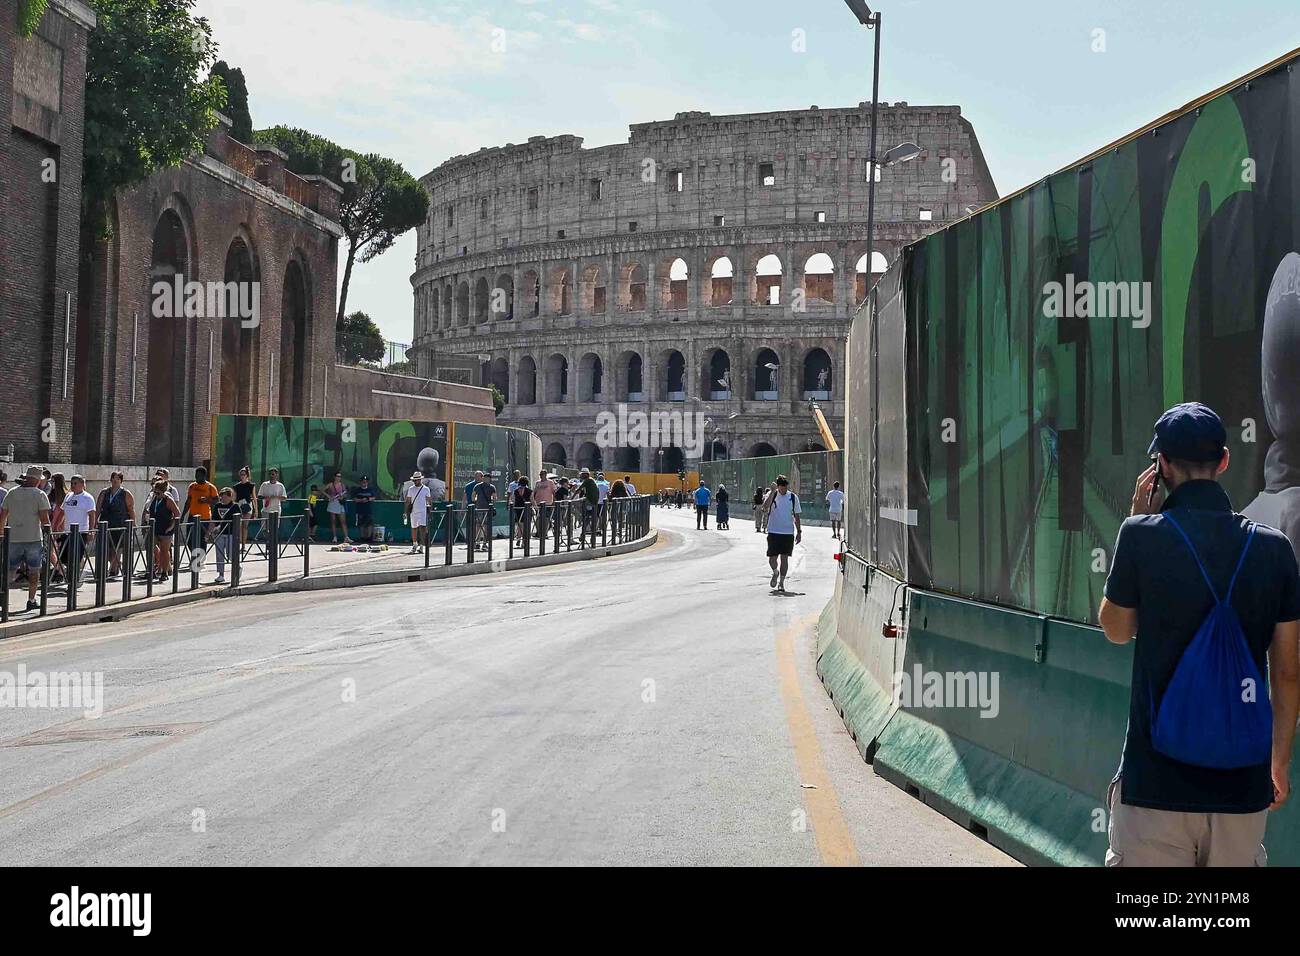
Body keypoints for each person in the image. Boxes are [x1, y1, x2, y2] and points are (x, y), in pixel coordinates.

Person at [1099, 402, 1300, 867]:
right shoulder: (1274, 549)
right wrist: (1279, 762)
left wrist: (1135, 522)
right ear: (1224, 461)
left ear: (1161, 465)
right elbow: (1287, 671)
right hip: (1242, 784)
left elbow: (1116, 629)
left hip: (1155, 785)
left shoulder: (1141, 536)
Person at [0, 466, 51, 612]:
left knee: (9, 570)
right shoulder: (40, 495)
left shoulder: (11, 493)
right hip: (33, 538)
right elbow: (45, 520)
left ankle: (2, 597)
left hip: (13, 537)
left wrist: (2, 534)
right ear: (36, 480)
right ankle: (31, 599)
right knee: (34, 571)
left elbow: (3, 515)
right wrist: (49, 537)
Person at [764, 475, 802, 592]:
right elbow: (765, 507)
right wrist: (772, 492)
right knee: (772, 559)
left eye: (785, 487)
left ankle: (781, 582)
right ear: (778, 487)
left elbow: (796, 515)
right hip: (773, 531)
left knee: (784, 558)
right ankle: (775, 572)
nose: (783, 490)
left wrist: (799, 531)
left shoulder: (793, 497)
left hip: (787, 533)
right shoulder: (772, 494)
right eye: (781, 488)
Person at [96, 471, 134, 580]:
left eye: (117, 478)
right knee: (106, 549)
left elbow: (131, 509)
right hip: (105, 523)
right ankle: (116, 564)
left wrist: (133, 524)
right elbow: (98, 508)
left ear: (121, 481)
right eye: (113, 478)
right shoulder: (104, 492)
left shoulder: (125, 493)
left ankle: (113, 570)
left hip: (120, 523)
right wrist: (94, 522)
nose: (115, 480)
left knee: (116, 548)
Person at [61, 475, 97, 587]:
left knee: (76, 557)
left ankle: (74, 580)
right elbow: (63, 512)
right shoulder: (68, 496)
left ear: (82, 484)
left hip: (81, 532)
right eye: (71, 483)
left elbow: (92, 515)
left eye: (75, 483)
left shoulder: (87, 498)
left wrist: (91, 530)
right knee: (64, 558)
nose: (73, 485)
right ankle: (81, 571)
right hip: (67, 532)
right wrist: (59, 526)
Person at [182, 466, 219, 570]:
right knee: (190, 540)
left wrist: (207, 500)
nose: (196, 478)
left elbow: (216, 501)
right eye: (196, 475)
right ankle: (195, 557)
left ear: (204, 476)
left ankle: (199, 560)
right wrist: (182, 515)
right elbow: (188, 501)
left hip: (205, 518)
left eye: (198, 476)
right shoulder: (192, 486)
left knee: (202, 540)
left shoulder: (210, 487)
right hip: (192, 516)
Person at [144, 480, 180, 582]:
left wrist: (171, 526)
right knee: (151, 548)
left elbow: (177, 513)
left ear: (163, 491)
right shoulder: (154, 499)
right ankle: (151, 570)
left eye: (158, 493)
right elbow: (148, 509)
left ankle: (164, 572)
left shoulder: (168, 500)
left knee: (165, 551)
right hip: (155, 527)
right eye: (155, 492)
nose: (156, 494)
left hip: (165, 528)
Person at [212, 487, 242, 585]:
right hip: (219, 533)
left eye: (225, 497)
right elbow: (214, 520)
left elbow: (239, 521)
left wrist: (238, 535)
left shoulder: (235, 507)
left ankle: (237, 568)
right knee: (219, 555)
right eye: (221, 497)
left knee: (230, 554)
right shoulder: (217, 506)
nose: (223, 499)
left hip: (231, 534)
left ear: (230, 497)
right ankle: (221, 575)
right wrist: (210, 532)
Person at [46, 473, 68, 583]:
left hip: (60, 528)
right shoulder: (50, 495)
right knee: (50, 551)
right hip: (50, 527)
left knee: (58, 550)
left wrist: (57, 526)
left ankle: (60, 571)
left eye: (53, 481)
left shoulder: (65, 495)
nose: (51, 483)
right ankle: (60, 569)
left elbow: (63, 513)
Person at [405, 471, 432, 554]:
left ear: (420, 480)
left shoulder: (426, 489)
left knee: (423, 528)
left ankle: (421, 545)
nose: (415, 481)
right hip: (413, 511)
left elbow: (429, 500)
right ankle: (414, 544)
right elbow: (408, 501)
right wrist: (406, 512)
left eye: (417, 480)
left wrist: (430, 510)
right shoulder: (411, 489)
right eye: (414, 480)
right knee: (414, 528)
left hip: (422, 511)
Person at [259, 468, 288, 540]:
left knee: (274, 528)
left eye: (273, 474)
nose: (271, 476)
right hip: (266, 509)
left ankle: (272, 543)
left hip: (276, 509)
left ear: (276, 475)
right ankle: (269, 540)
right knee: (264, 529)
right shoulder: (264, 484)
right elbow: (259, 496)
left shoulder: (280, 485)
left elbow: (284, 497)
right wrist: (267, 497)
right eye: (270, 474)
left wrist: (276, 497)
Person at [233, 466, 257, 546]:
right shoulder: (236, 486)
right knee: (238, 526)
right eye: (241, 475)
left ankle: (243, 544)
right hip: (239, 506)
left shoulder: (251, 485)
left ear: (247, 475)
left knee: (244, 525)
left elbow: (254, 498)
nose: (242, 476)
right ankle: (239, 543)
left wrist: (256, 511)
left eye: (243, 474)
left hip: (248, 506)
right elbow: (234, 498)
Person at [473, 472, 497, 551]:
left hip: (479, 508)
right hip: (487, 509)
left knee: (478, 526)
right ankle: (484, 544)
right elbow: (494, 498)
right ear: (490, 479)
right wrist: (491, 504)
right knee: (486, 527)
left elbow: (473, 497)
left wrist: (477, 501)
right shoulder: (492, 487)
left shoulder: (477, 486)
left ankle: (477, 543)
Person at [325, 472, 350, 544]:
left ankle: (346, 537)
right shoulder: (330, 484)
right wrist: (329, 496)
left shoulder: (343, 485)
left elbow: (345, 494)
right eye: (337, 476)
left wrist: (343, 496)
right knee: (333, 520)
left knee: (343, 521)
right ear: (334, 477)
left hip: (340, 503)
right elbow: (322, 490)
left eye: (340, 476)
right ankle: (334, 537)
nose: (339, 478)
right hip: (333, 503)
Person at [353, 476, 377, 543]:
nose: (364, 483)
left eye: (366, 482)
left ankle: (369, 538)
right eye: (363, 482)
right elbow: (354, 499)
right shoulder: (357, 490)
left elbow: (374, 497)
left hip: (368, 509)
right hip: (360, 510)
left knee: (369, 524)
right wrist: (361, 500)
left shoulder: (370, 490)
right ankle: (362, 538)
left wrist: (368, 499)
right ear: (360, 482)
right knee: (361, 524)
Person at [533, 470, 556, 540]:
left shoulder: (550, 482)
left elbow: (554, 492)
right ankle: (539, 532)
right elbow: (534, 492)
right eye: (540, 474)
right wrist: (533, 502)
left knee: (546, 518)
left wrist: (554, 501)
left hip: (548, 503)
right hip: (538, 503)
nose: (541, 475)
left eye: (542, 474)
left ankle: (545, 533)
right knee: (538, 518)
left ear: (545, 475)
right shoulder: (537, 483)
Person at [512, 476, 532, 545]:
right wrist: (537, 509)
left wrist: (512, 508)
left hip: (518, 509)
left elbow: (513, 500)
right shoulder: (529, 491)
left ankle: (519, 538)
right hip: (527, 509)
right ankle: (524, 541)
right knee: (526, 526)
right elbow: (532, 500)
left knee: (520, 525)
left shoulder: (516, 491)